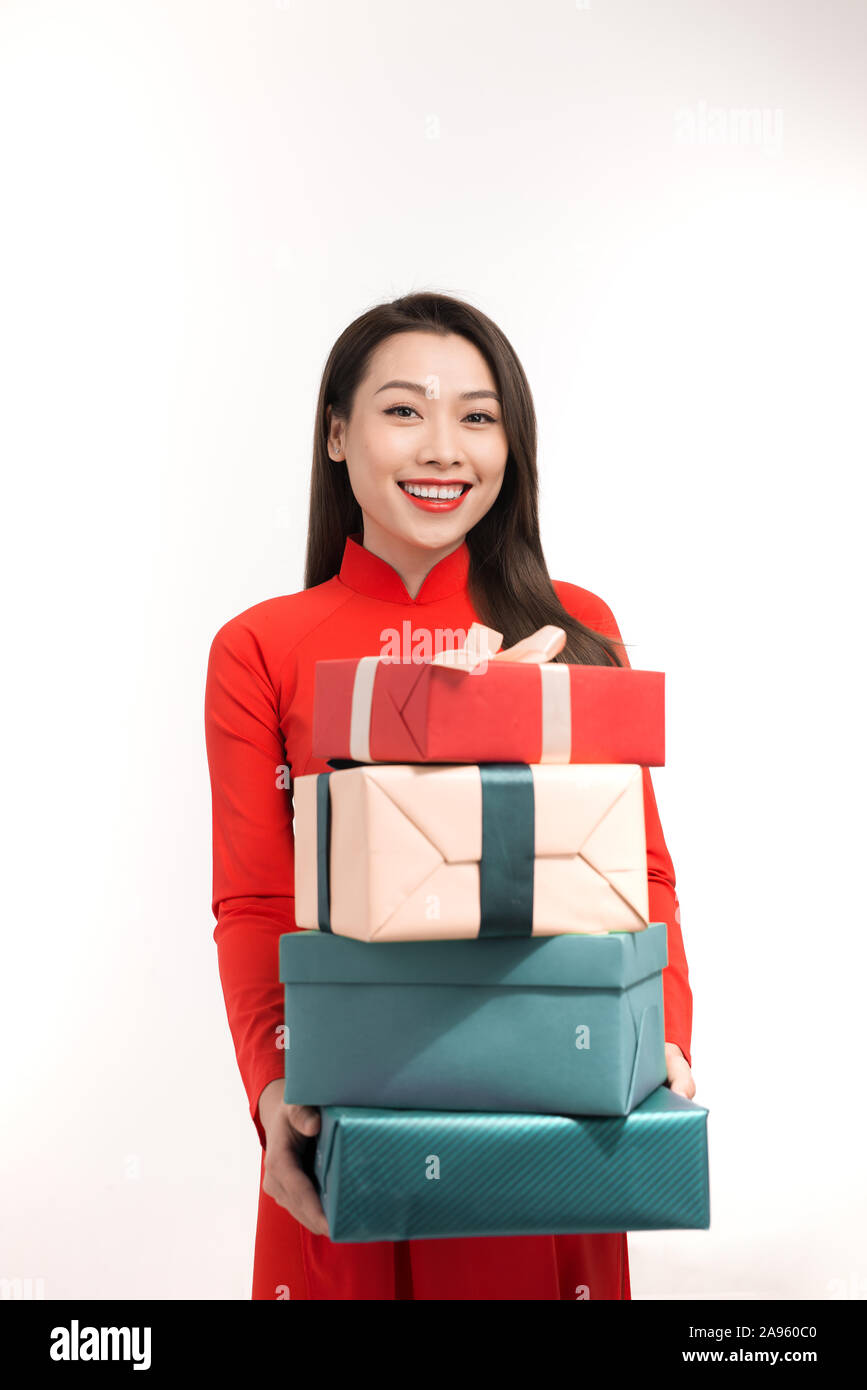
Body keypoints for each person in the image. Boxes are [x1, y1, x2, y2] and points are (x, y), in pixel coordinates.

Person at [204, 291, 696, 1300]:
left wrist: (663, 1037)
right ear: (336, 434)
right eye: (403, 411)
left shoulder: (574, 626)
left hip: (553, 1092)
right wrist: (272, 1086)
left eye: (477, 416)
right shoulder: (261, 648)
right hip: (355, 1101)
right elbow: (255, 900)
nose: (444, 449)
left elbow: (637, 873)